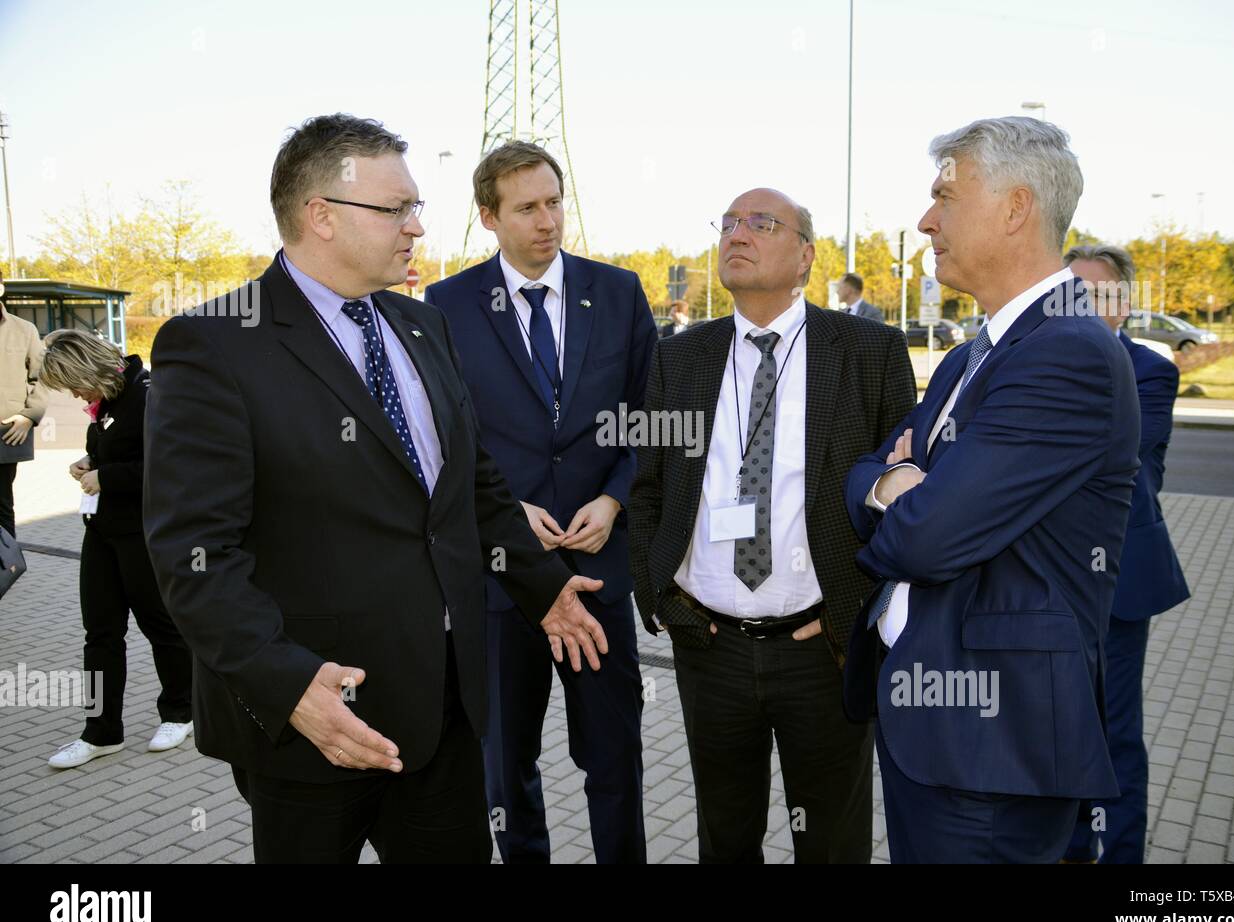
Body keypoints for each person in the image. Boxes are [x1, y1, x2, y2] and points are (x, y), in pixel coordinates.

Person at [143, 114, 609, 863]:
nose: (417, 227)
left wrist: (542, 585)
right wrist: (289, 685)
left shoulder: (422, 325)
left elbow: (471, 485)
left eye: (415, 207)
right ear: (320, 215)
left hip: (445, 709)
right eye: (397, 209)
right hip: (316, 716)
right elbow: (193, 554)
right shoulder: (215, 342)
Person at [843, 117, 1140, 863]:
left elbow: (927, 538)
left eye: (946, 196)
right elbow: (862, 475)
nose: (925, 220)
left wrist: (903, 493)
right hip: (935, 728)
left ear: (1015, 208)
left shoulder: (1065, 354)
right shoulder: (972, 356)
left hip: (990, 750)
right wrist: (894, 485)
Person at [629, 188, 915, 863]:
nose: (738, 234)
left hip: (824, 649)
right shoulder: (679, 357)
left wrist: (859, 610)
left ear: (805, 257)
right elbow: (645, 488)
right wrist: (660, 596)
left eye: (761, 223)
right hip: (709, 648)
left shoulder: (869, 350)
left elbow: (904, 497)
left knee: (832, 842)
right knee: (725, 839)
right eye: (729, 223)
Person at [425, 140, 656, 863]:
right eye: (526, 208)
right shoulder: (447, 305)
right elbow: (445, 434)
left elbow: (650, 419)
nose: (547, 221)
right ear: (489, 216)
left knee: (614, 757)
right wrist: (504, 510)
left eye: (555, 202)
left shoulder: (617, 292)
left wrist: (614, 500)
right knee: (504, 764)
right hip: (502, 581)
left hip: (597, 574)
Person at [1063, 243, 1189, 864]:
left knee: (1114, 731)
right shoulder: (1038, 362)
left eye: (1100, 292)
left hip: (1117, 582)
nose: (1086, 304)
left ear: (1125, 302)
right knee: (1059, 726)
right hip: (1050, 579)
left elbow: (1118, 452)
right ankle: (1070, 847)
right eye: (1073, 293)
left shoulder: (1149, 371)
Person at [37, 330, 193, 769]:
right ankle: (101, 732)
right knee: (100, 634)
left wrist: (106, 477)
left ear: (89, 369)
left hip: (143, 533)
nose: (74, 395)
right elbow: (114, 449)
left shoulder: (148, 396)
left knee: (160, 625)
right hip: (102, 532)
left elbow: (171, 465)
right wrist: (91, 461)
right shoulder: (106, 400)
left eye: (74, 385)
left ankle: (181, 711)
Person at [0, 270, 49, 538]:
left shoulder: (24, 330)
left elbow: (44, 377)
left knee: (1, 505)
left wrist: (29, 416)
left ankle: (5, 561)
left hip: (5, 431)